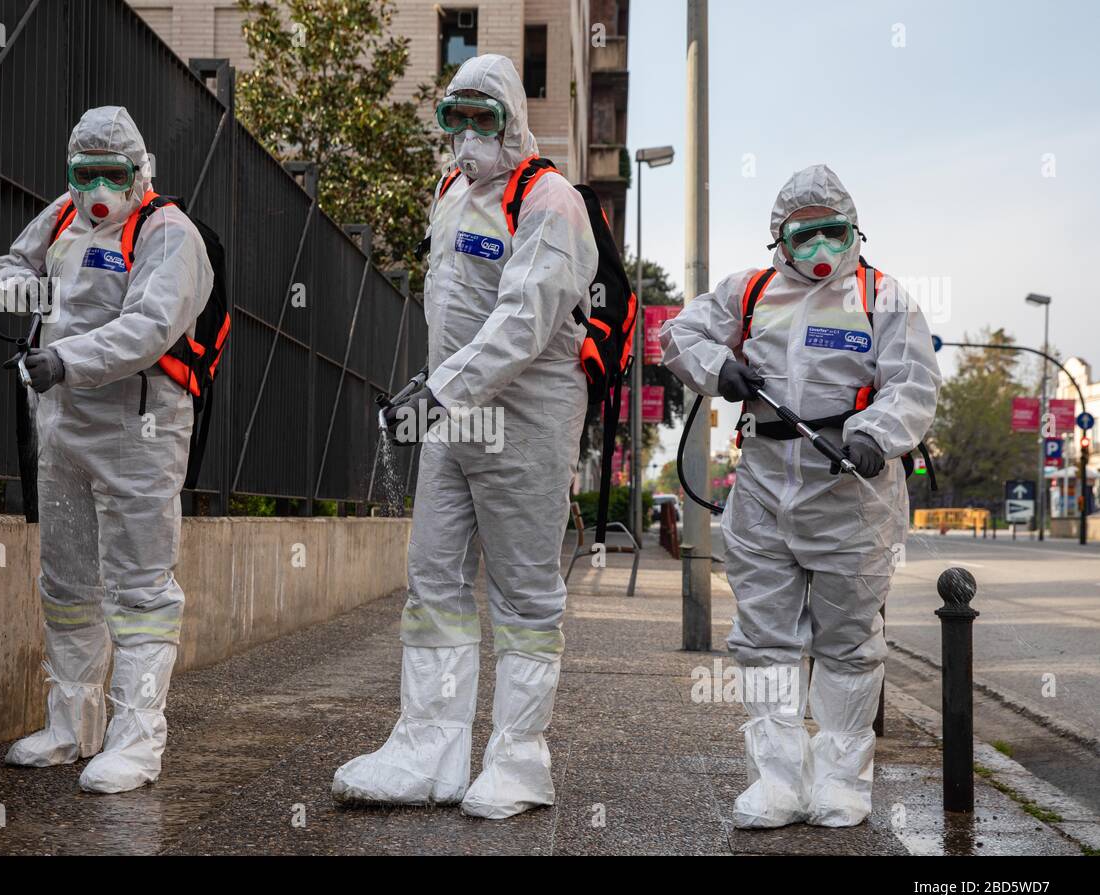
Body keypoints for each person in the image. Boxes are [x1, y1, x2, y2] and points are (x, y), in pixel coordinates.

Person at [331, 54, 598, 819]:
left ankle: (519, 758)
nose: (470, 134)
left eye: (485, 118)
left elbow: (524, 319)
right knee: (434, 579)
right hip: (454, 415)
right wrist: (438, 393)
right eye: (458, 118)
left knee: (523, 593)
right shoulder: (449, 194)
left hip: (526, 419)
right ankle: (430, 746)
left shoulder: (552, 200)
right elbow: (450, 311)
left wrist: (439, 389)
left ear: (514, 119)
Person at [660, 165, 940, 828]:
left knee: (847, 639)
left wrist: (876, 433)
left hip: (852, 491)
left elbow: (913, 385)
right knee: (763, 637)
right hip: (762, 482)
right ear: (778, 237)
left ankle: (842, 777)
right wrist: (718, 367)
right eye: (804, 234)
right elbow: (678, 334)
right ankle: (777, 779)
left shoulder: (884, 298)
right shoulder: (748, 291)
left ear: (855, 230)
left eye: (833, 232)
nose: (820, 249)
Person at [0, 106, 214, 793]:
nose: (97, 187)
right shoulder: (62, 216)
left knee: (140, 586)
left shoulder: (169, 234)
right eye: (85, 172)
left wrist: (65, 360)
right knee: (65, 581)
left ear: (139, 170)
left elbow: (149, 325)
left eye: (111, 173)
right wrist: (11, 289)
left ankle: (138, 740)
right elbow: (13, 262)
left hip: (137, 431)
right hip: (60, 427)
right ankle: (71, 724)